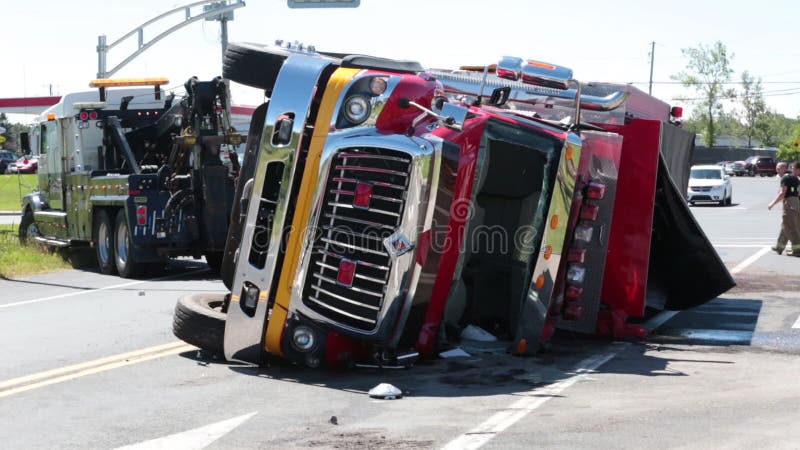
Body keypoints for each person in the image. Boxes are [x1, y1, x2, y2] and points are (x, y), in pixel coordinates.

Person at [769, 162, 800, 256]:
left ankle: (797, 250)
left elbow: (783, 193)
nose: (777, 170)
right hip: (796, 204)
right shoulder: (795, 178)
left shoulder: (785, 178)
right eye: (777, 168)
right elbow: (797, 192)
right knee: (785, 226)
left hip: (790, 205)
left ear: (784, 168)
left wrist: (772, 204)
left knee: (790, 227)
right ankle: (779, 247)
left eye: (779, 168)